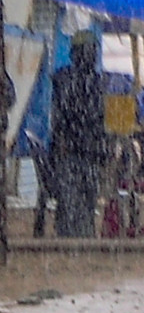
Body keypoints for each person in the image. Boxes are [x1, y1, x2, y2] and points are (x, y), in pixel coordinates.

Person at [49, 30, 107, 237]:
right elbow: (62, 118)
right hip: (78, 150)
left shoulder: (70, 79)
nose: (90, 56)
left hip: (82, 150)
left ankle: (77, 234)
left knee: (79, 197)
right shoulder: (77, 81)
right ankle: (77, 234)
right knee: (77, 197)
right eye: (88, 52)